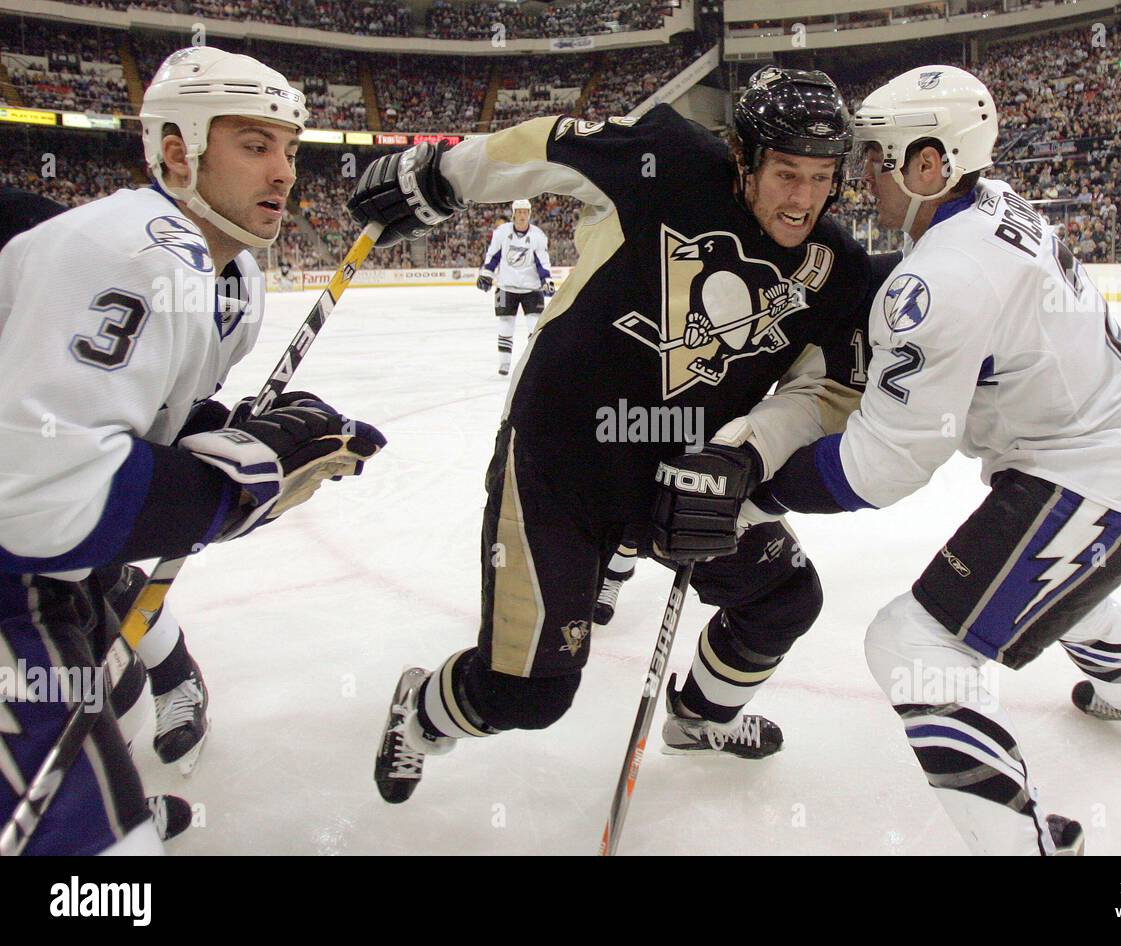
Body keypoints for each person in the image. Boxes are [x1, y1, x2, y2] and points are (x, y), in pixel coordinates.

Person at [347, 67, 898, 803]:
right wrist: (445, 174)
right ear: (745, 159)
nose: (802, 199)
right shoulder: (670, 162)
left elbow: (827, 390)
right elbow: (549, 145)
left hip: (682, 477)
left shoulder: (837, 271)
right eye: (786, 173)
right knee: (529, 694)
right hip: (558, 458)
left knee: (784, 599)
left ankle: (701, 718)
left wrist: (745, 452)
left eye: (821, 177)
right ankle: (420, 714)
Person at [736, 66, 1121, 855]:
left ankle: (1024, 845)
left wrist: (761, 478)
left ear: (931, 165)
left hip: (1108, 476)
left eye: (880, 158)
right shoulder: (993, 201)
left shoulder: (938, 276)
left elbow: (883, 464)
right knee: (1048, 574)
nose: (865, 179)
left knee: (910, 645)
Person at [0, 46, 384, 856]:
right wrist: (247, 479)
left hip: (45, 564)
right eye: (254, 146)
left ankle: (125, 792)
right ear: (178, 149)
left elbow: (142, 423)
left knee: (126, 714)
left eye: (289, 147)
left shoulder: (235, 277)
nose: (284, 172)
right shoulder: (130, 252)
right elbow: (40, 506)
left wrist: (235, 434)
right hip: (13, 571)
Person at [477, 198, 554, 375]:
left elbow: (542, 261)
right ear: (514, 214)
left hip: (531, 289)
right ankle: (504, 364)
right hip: (505, 287)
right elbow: (493, 256)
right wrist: (486, 275)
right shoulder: (501, 232)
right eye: (519, 212)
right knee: (505, 325)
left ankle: (533, 363)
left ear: (529, 214)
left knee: (535, 327)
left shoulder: (538, 235)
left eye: (525, 212)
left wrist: (547, 280)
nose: (522, 215)